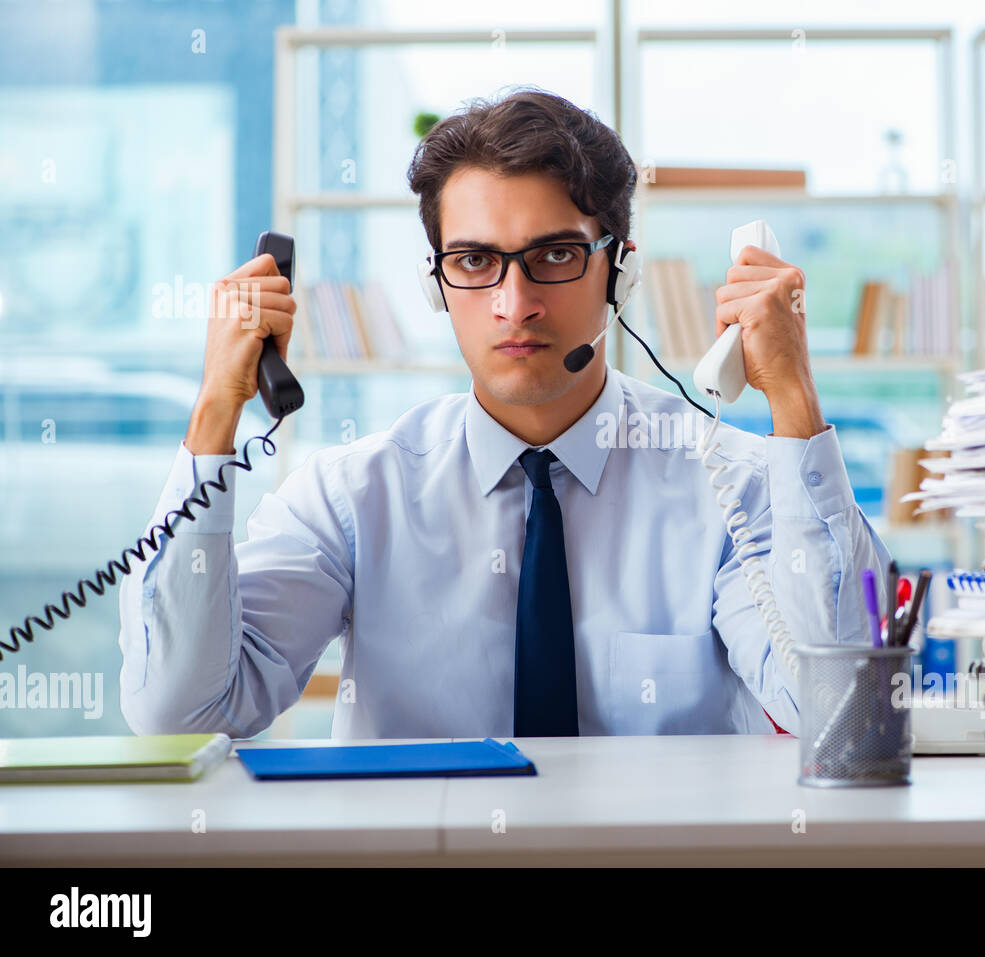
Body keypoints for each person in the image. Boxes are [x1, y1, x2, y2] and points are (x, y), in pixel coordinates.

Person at [117, 87, 891, 739]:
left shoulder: (730, 485)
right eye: (475, 261)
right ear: (437, 284)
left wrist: (793, 400)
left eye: (554, 255)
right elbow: (182, 712)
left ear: (619, 273)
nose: (513, 304)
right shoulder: (353, 497)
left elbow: (843, 717)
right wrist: (215, 411)